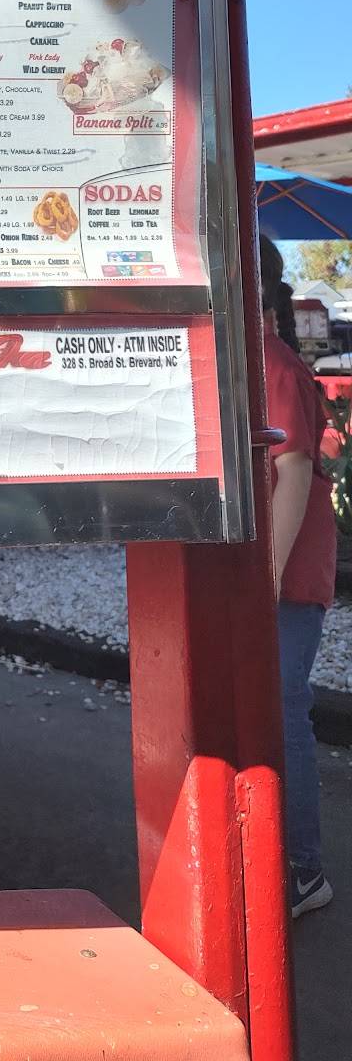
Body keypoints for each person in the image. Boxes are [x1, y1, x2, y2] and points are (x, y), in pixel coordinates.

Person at [260, 234, 337, 917]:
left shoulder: (273, 364)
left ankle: (304, 871)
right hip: (275, 566)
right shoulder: (257, 358)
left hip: (287, 570)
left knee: (283, 710)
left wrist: (270, 573)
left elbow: (294, 467)